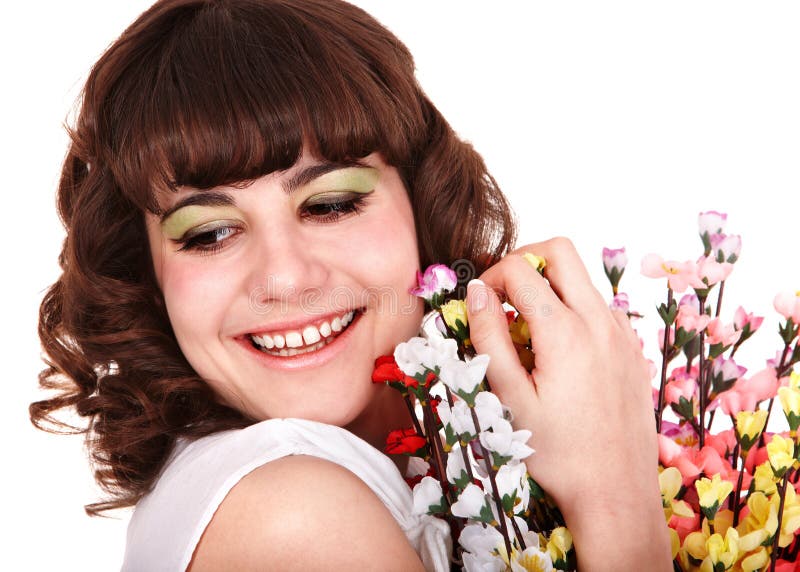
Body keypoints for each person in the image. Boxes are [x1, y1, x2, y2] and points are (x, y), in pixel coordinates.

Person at [31, 0, 671, 570]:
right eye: (209, 235)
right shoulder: (291, 517)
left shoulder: (424, 467)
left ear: (422, 203)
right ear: (147, 279)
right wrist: (617, 501)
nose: (285, 278)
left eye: (330, 204)